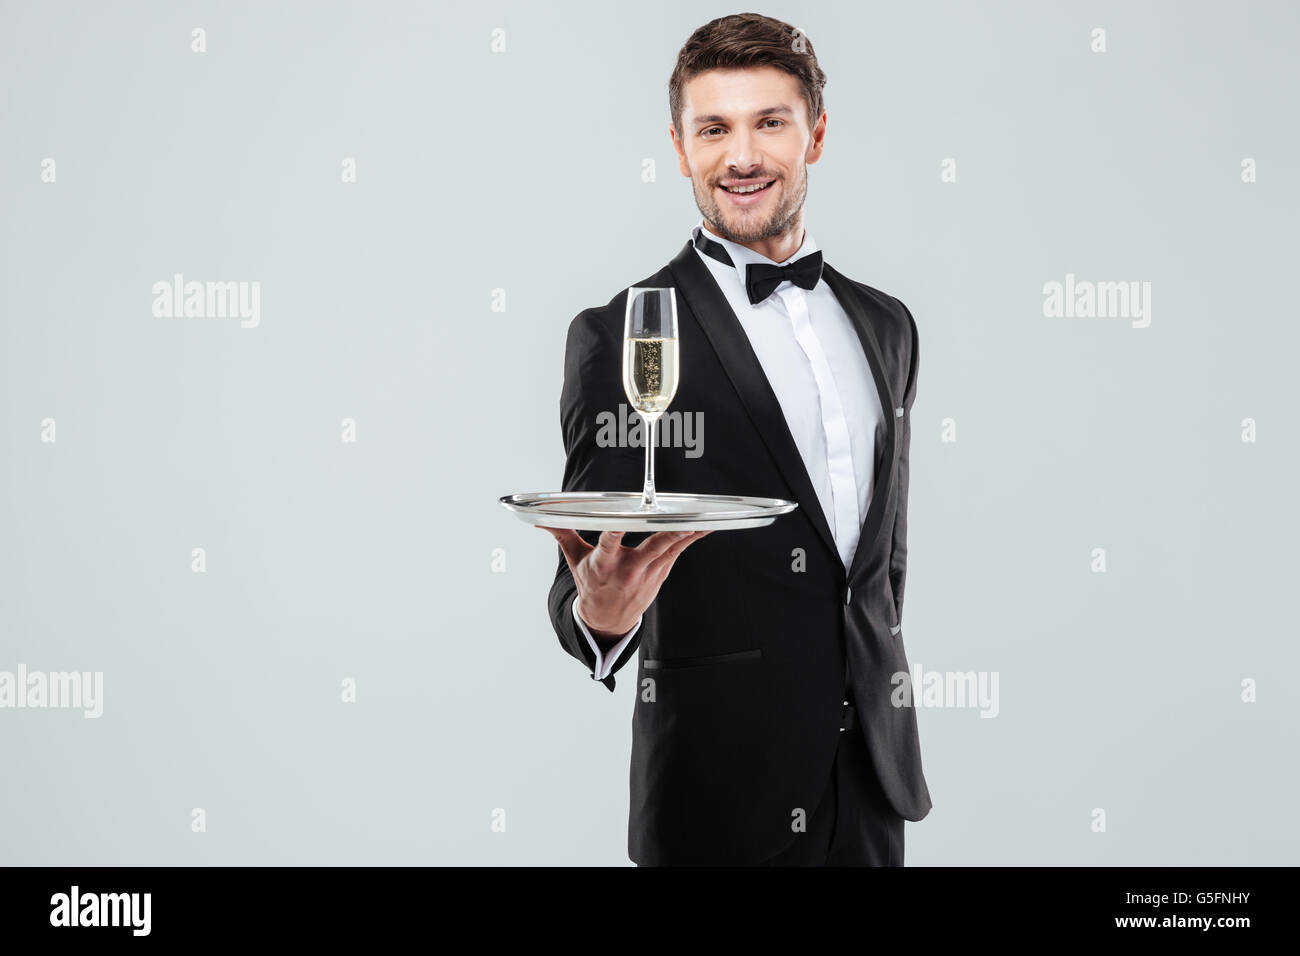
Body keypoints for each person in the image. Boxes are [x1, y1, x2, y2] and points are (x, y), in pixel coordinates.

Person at [540, 12, 932, 866]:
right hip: (716, 800)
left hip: (872, 783)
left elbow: (878, 560)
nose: (742, 156)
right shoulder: (627, 336)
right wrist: (601, 620)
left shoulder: (886, 325)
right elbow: (595, 565)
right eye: (713, 129)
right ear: (680, 147)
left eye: (770, 122)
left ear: (816, 134)